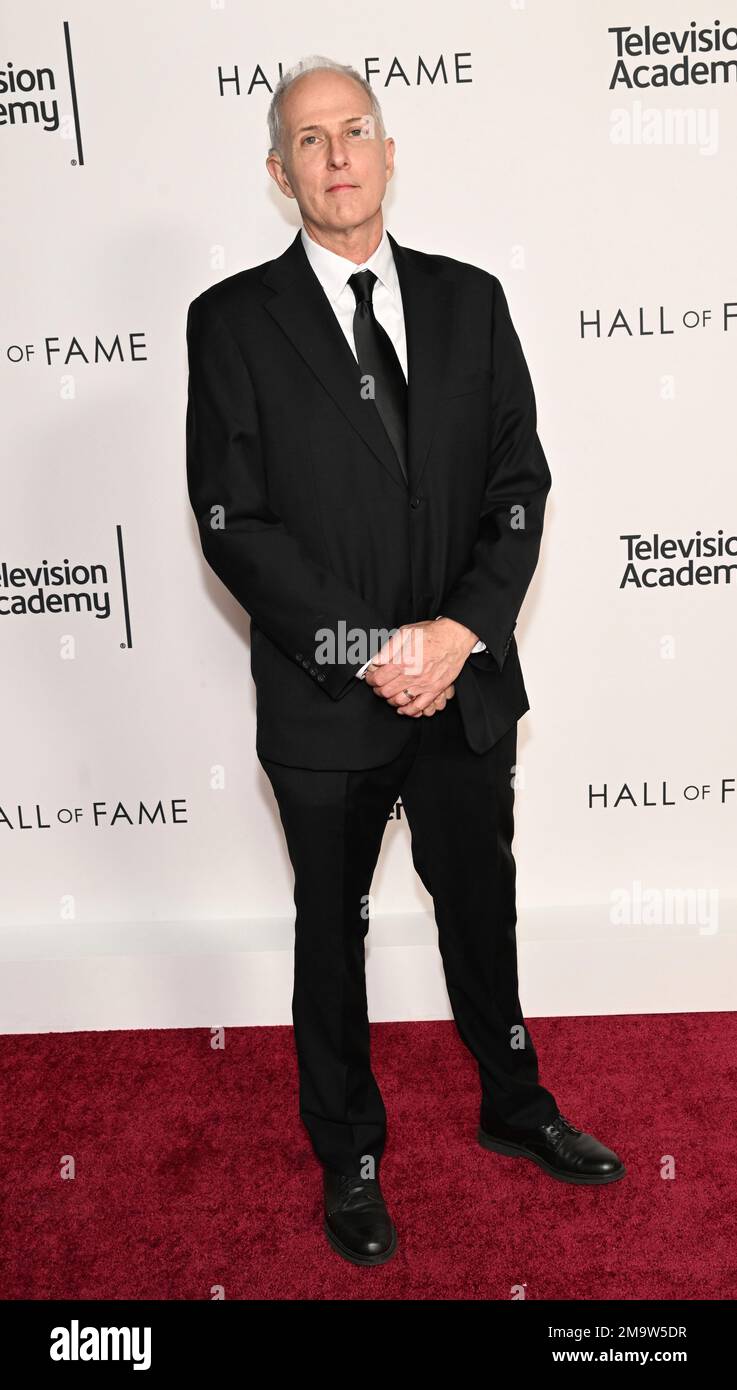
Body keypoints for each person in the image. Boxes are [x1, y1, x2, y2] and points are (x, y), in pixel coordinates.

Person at [185, 54, 625, 1268]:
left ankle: (515, 1105)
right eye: (309, 140)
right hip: (330, 701)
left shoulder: (470, 301)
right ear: (281, 175)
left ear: (388, 151)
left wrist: (458, 632)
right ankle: (350, 1158)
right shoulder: (229, 321)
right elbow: (233, 523)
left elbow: (516, 488)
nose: (337, 155)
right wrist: (369, 649)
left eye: (355, 130)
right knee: (331, 932)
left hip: (464, 684)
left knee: (480, 910)